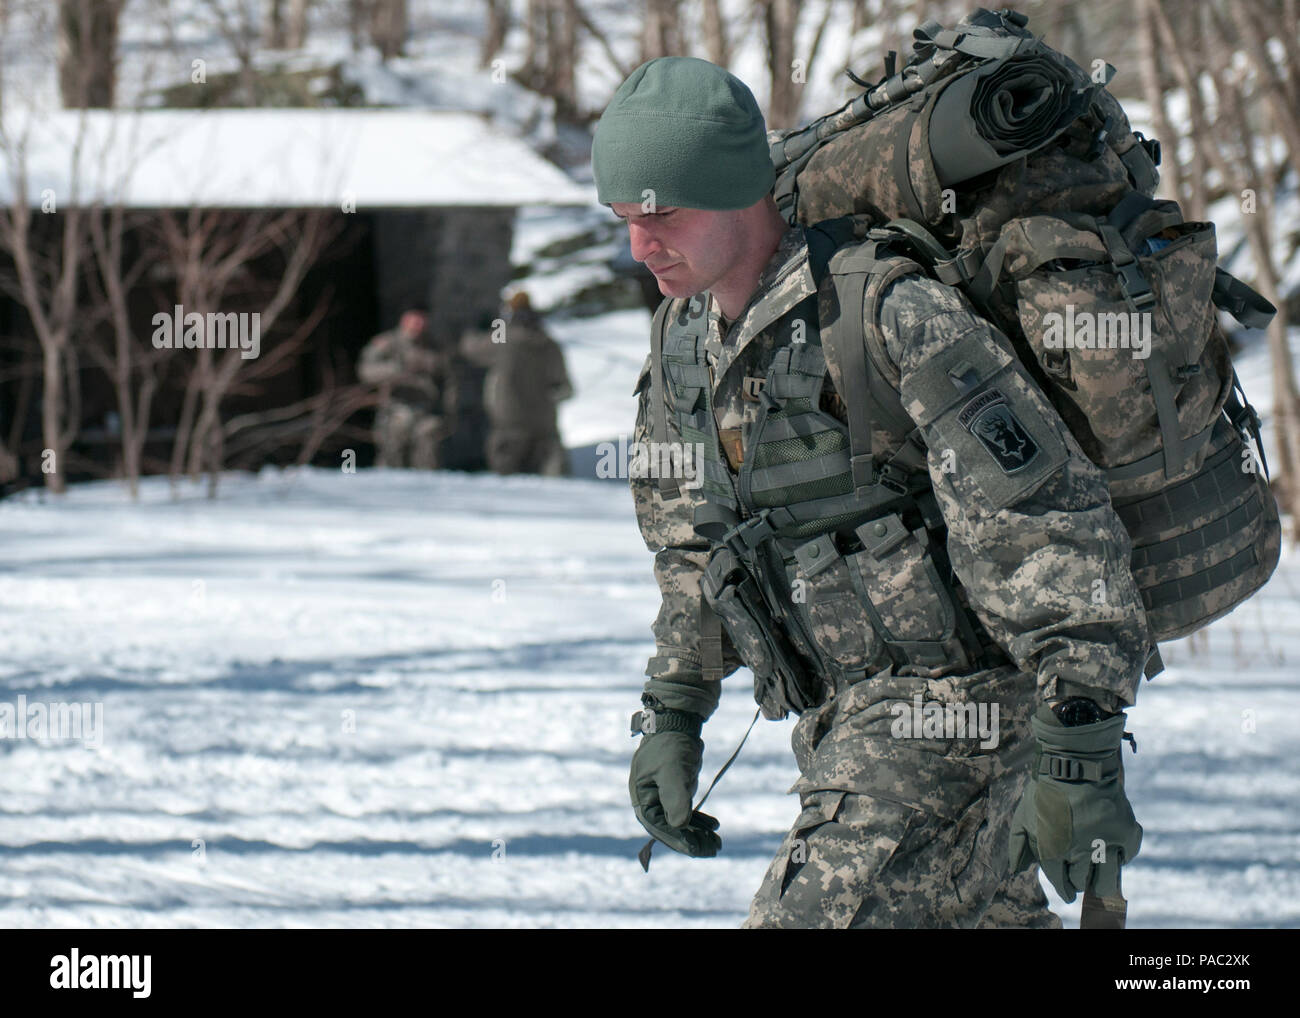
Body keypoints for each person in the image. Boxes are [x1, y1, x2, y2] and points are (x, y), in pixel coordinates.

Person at [592, 56, 1152, 928]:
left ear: (739, 190)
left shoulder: (886, 310)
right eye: (623, 219)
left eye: (660, 212)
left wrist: (1080, 737)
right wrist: (674, 709)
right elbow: (694, 549)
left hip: (960, 710)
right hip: (839, 722)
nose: (639, 245)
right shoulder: (680, 342)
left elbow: (1039, 516)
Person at [481, 292, 573, 477]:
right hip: (544, 428)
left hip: (508, 424)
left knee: (508, 487)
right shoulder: (549, 344)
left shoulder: (502, 339)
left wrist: (483, 325)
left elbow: (471, 349)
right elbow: (565, 389)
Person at [357, 307, 454, 469]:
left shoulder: (434, 348)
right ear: (404, 320)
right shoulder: (387, 343)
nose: (417, 325)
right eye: (413, 320)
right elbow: (365, 371)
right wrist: (394, 370)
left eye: (421, 321)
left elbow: (449, 382)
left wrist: (447, 414)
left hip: (426, 413)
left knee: (428, 461)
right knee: (392, 460)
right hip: (394, 411)